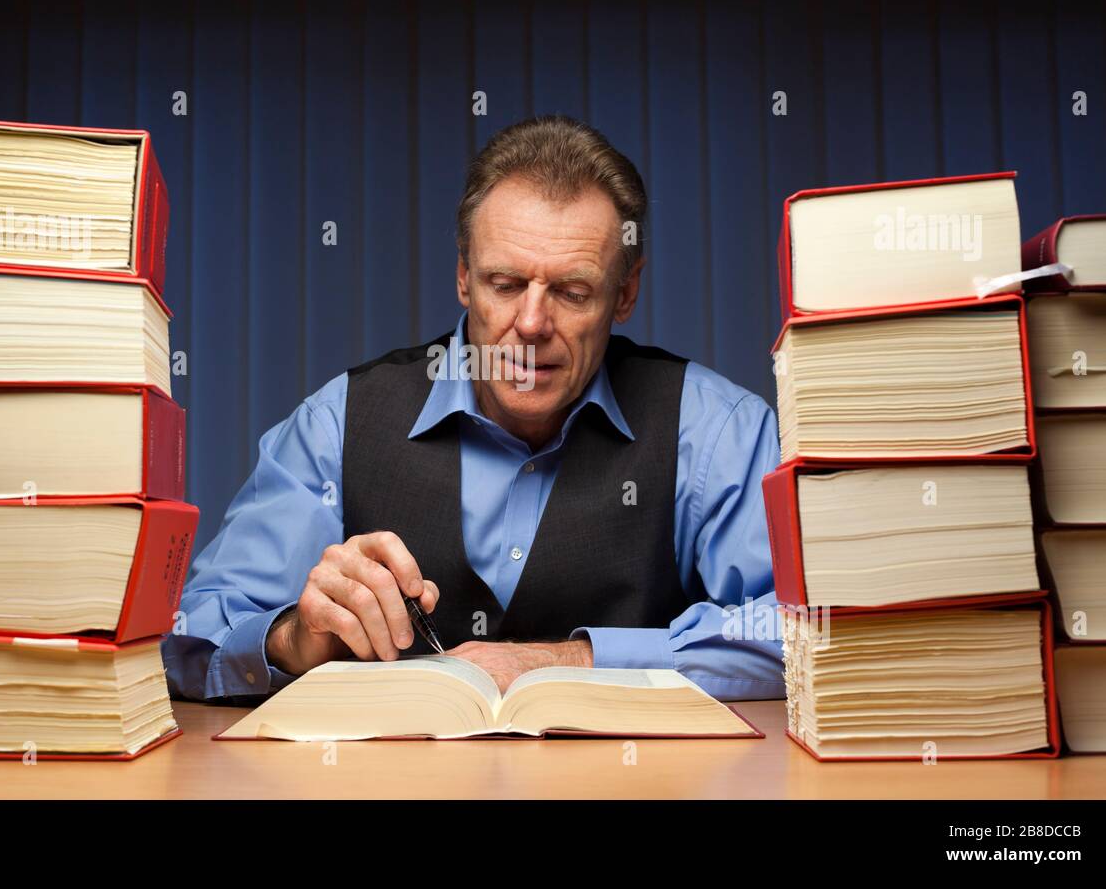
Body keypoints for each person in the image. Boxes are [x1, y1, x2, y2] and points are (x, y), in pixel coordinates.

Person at [163, 115, 785, 701]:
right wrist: (297, 639)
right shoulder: (338, 423)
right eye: (505, 285)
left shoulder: (714, 429)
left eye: (572, 292)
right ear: (464, 276)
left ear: (625, 293)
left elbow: (798, 629)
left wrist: (566, 663)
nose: (533, 324)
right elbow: (187, 636)